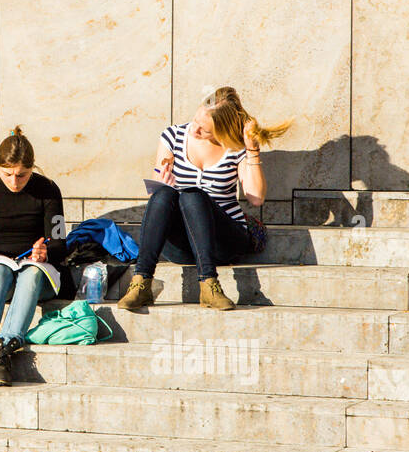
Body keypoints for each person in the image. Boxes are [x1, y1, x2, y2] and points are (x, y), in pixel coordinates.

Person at [116, 87, 289, 312]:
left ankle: (209, 284)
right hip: (181, 245)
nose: (194, 130)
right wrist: (163, 180)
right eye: (195, 120)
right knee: (165, 194)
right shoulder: (173, 136)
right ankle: (141, 283)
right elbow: (156, 187)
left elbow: (255, 198)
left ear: (222, 131)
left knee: (192, 196)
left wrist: (252, 149)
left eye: (204, 130)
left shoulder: (235, 148)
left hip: (223, 240)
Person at [0, 127, 66, 387]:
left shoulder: (48, 189)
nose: (14, 182)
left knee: (30, 274)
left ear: (32, 169)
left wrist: (46, 251)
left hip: (34, 269)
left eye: (22, 175)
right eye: (7, 174)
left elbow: (60, 243)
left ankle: (6, 350)